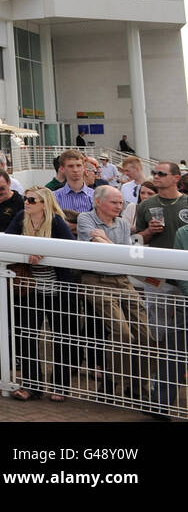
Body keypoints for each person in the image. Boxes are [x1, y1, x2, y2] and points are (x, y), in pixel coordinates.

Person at [76, 186, 153, 401]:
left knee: (145, 335)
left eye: (121, 203)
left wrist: (107, 242)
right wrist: (112, 247)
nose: (120, 207)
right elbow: (106, 250)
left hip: (122, 279)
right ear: (99, 202)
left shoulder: (122, 223)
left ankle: (140, 386)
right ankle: (115, 381)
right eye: (115, 203)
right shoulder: (86, 218)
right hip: (97, 279)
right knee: (123, 334)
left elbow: (123, 255)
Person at [6, 186, 76, 402]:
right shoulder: (21, 217)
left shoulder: (55, 221)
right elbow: (7, 241)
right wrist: (26, 253)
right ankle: (32, 385)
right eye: (26, 199)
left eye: (32, 200)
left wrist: (44, 253)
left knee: (61, 337)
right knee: (27, 335)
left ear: (44, 204)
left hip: (59, 289)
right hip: (32, 288)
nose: (26, 203)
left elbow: (70, 247)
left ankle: (60, 386)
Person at [131, 162, 188, 414]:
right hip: (160, 280)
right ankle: (159, 399)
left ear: (176, 178)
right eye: (154, 174)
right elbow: (137, 239)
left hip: (181, 281)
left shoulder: (185, 205)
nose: (156, 177)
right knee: (164, 337)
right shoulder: (146, 206)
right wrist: (147, 232)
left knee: (175, 340)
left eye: (161, 174)